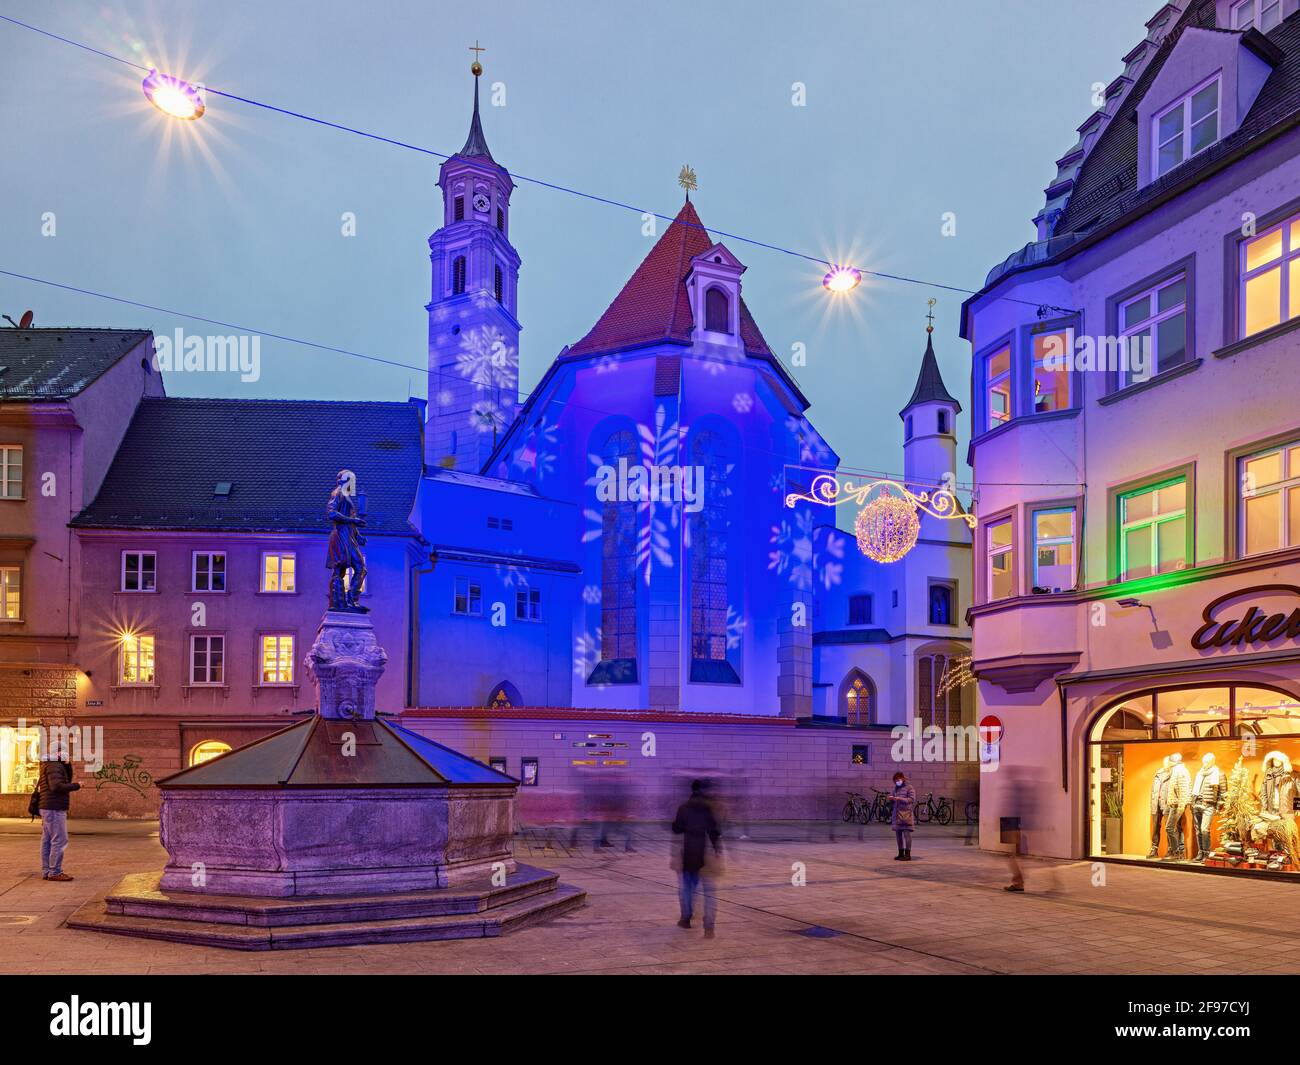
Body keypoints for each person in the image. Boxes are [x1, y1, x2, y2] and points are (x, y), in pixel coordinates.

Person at [671, 779, 722, 937]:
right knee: (709, 891)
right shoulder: (709, 808)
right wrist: (717, 849)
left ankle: (686, 918)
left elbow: (677, 828)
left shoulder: (684, 808)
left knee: (687, 888)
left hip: (689, 852)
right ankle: (709, 925)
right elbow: (714, 830)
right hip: (705, 853)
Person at [38, 740, 80, 882]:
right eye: (66, 752)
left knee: (48, 841)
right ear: (60, 752)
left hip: (49, 807)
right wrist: (77, 786)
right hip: (54, 808)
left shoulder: (52, 764)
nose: (68, 755)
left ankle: (47, 870)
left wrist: (67, 765)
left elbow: (64, 780)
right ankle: (55, 871)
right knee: (60, 839)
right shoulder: (54, 766)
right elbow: (57, 786)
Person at [890, 771, 917, 861]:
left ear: (902, 778)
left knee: (907, 835)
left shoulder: (909, 788)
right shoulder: (895, 789)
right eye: (895, 780)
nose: (897, 782)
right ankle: (900, 853)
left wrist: (900, 799)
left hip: (906, 815)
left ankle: (907, 854)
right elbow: (893, 800)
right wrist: (891, 799)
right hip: (897, 815)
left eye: (898, 780)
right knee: (898, 835)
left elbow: (911, 799)